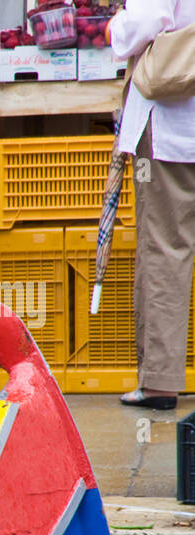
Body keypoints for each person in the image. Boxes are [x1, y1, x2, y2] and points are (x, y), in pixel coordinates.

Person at [109, 0, 195, 410]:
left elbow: (144, 22)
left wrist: (115, 26)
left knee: (167, 247)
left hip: (173, 131)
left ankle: (160, 382)